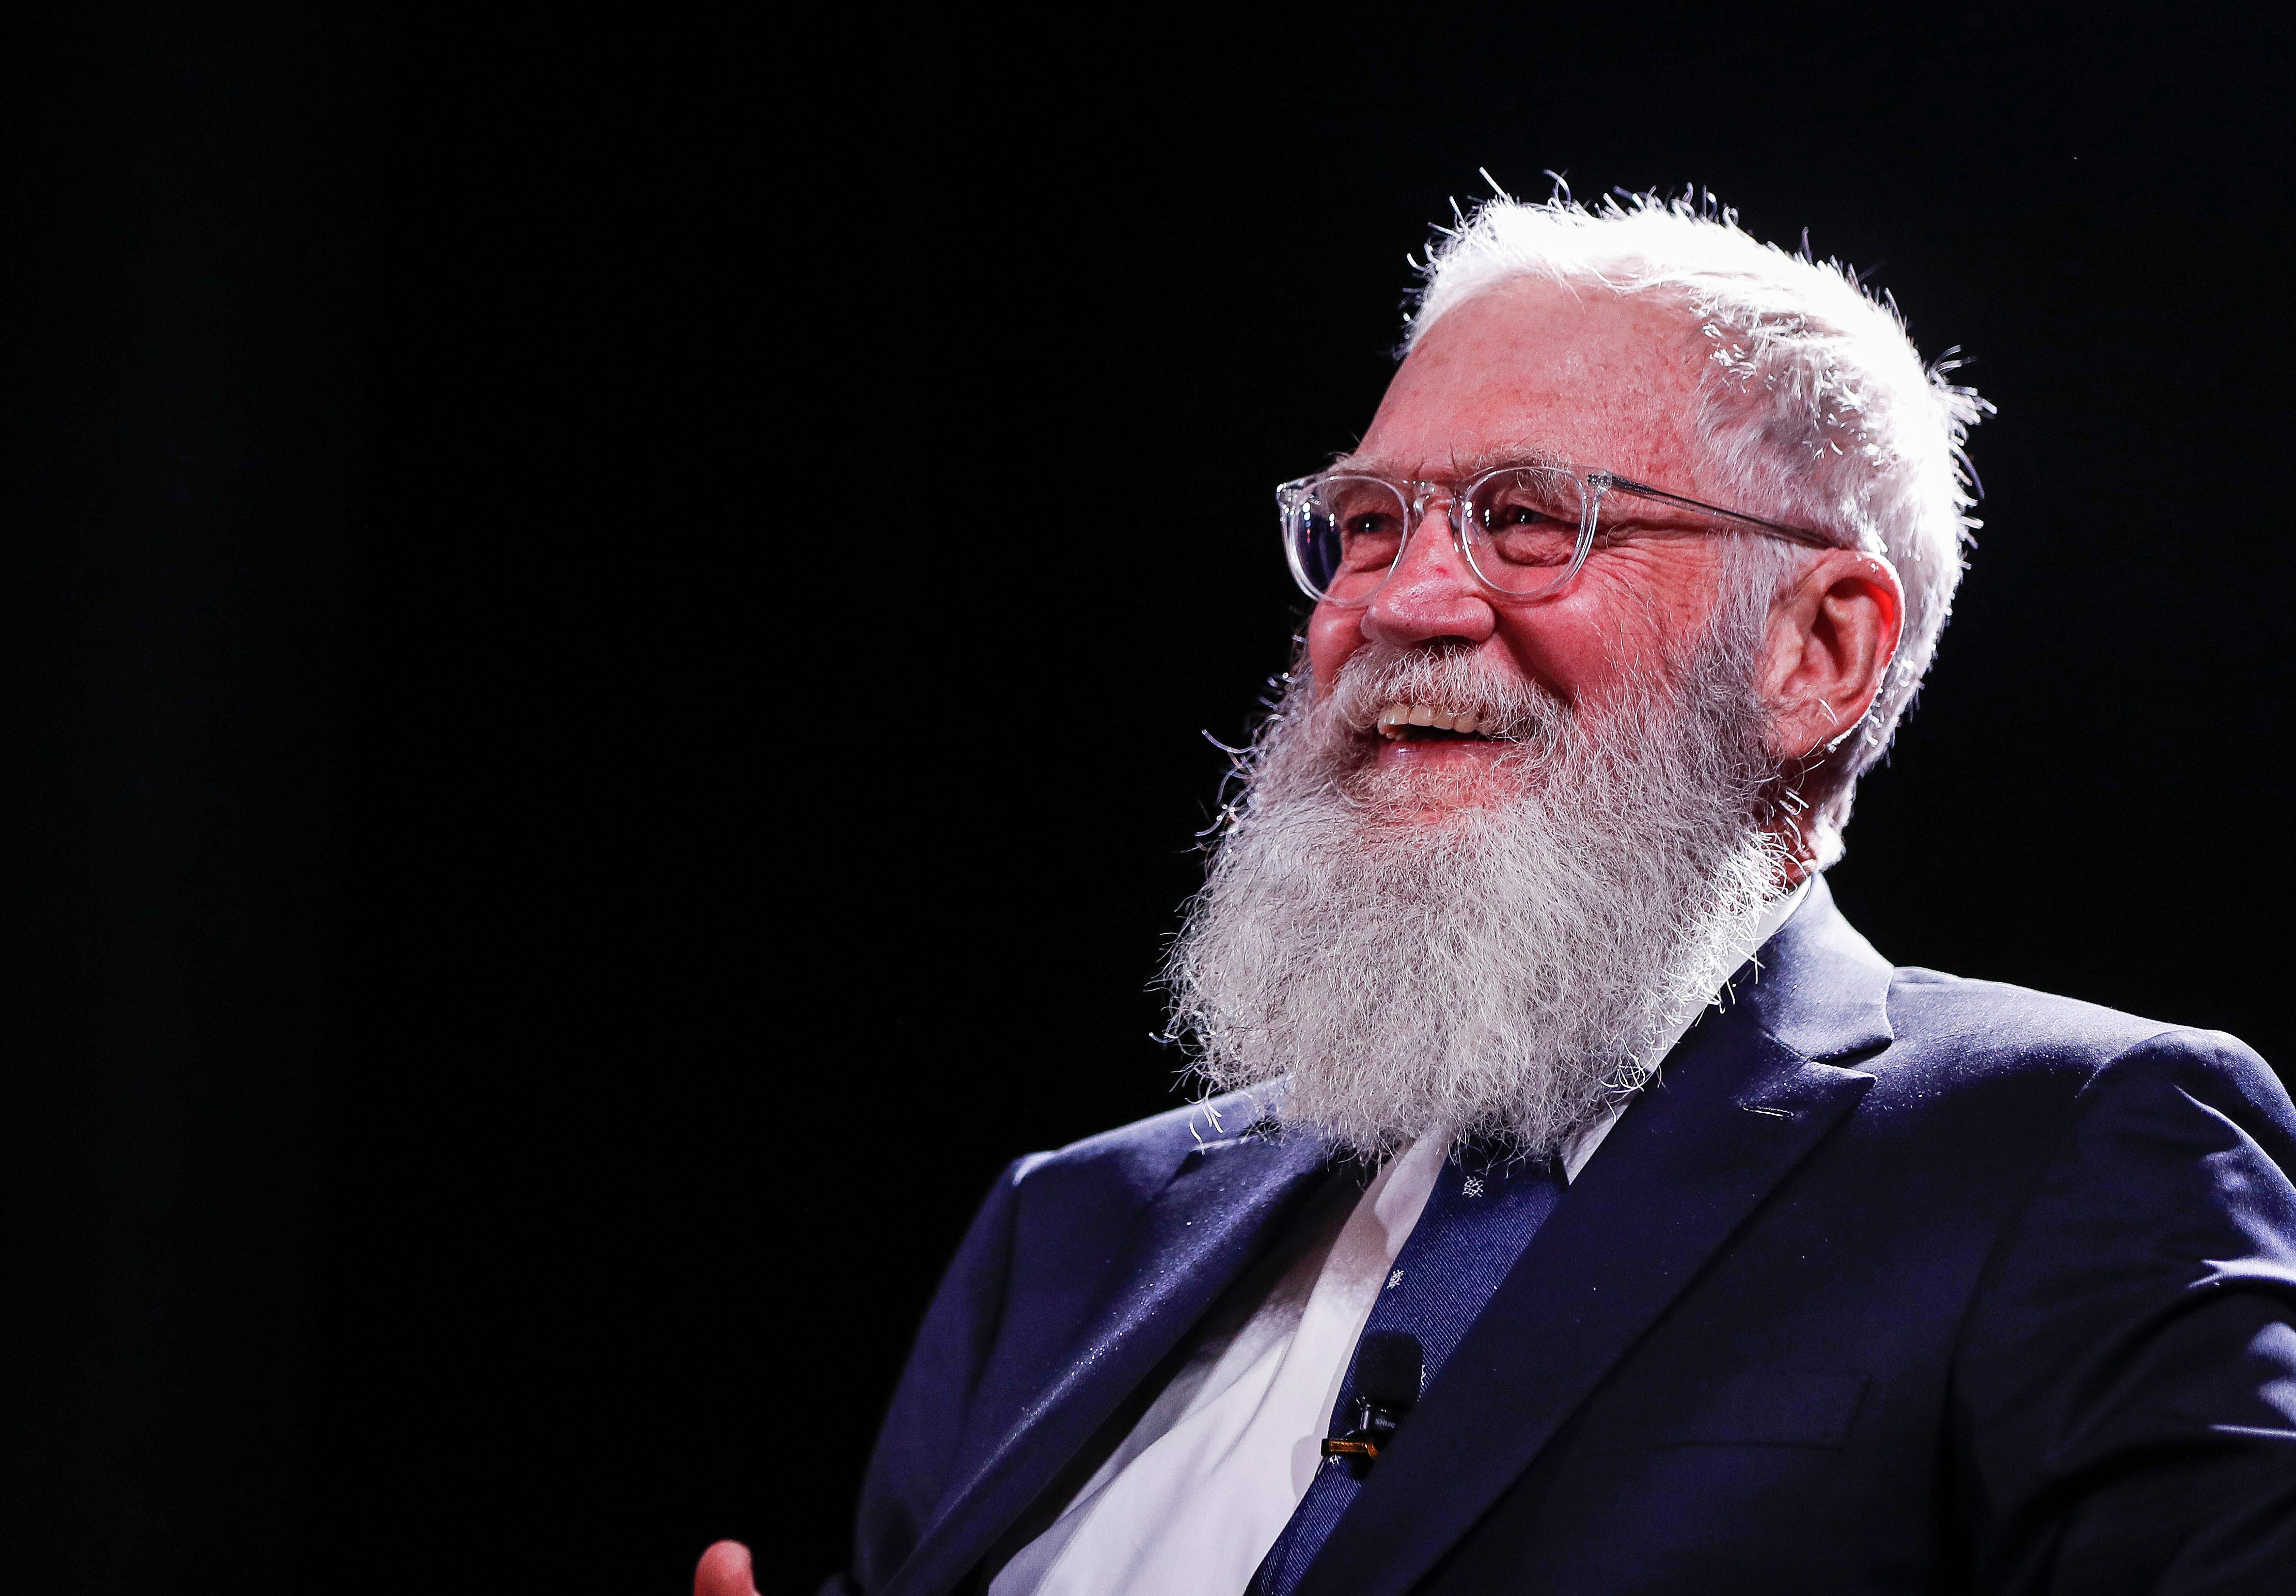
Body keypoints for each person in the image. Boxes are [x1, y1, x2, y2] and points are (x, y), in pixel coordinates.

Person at [706, 192, 2296, 1595]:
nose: (1401, 603)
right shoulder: (1069, 1231)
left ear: (1820, 649)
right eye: (1368, 524)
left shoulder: (2077, 1149)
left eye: (1531, 520)